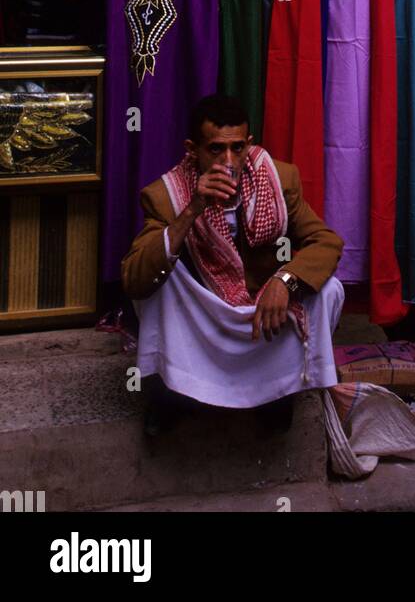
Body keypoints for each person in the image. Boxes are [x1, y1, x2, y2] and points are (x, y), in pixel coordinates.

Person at [121, 93, 344, 422]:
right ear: (192, 149)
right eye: (215, 149)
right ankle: (169, 392)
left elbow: (325, 241)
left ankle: (280, 392)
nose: (228, 160)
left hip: (262, 308)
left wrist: (284, 281)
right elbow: (135, 278)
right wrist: (193, 208)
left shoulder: (279, 180)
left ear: (249, 144)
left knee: (330, 289)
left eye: (237, 148)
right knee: (159, 284)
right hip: (204, 317)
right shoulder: (165, 196)